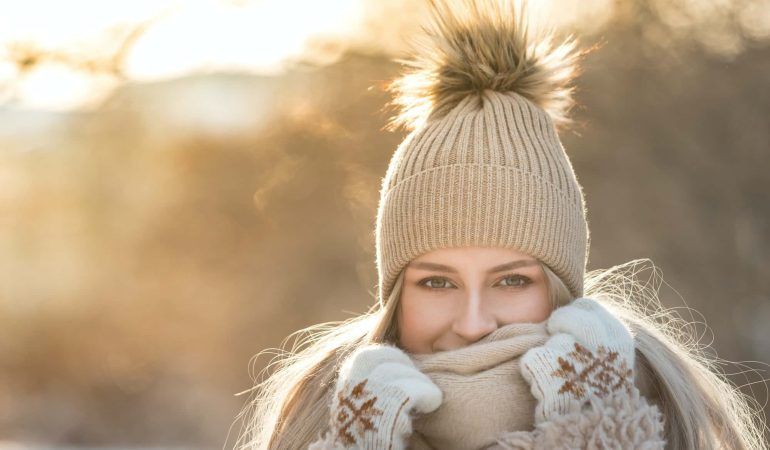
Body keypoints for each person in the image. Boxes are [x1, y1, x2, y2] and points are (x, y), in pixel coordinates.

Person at [234, 0, 767, 449]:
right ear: (396, 295)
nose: (472, 323)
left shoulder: (670, 418)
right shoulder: (317, 421)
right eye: (436, 282)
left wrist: (596, 430)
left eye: (512, 280)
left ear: (562, 292)